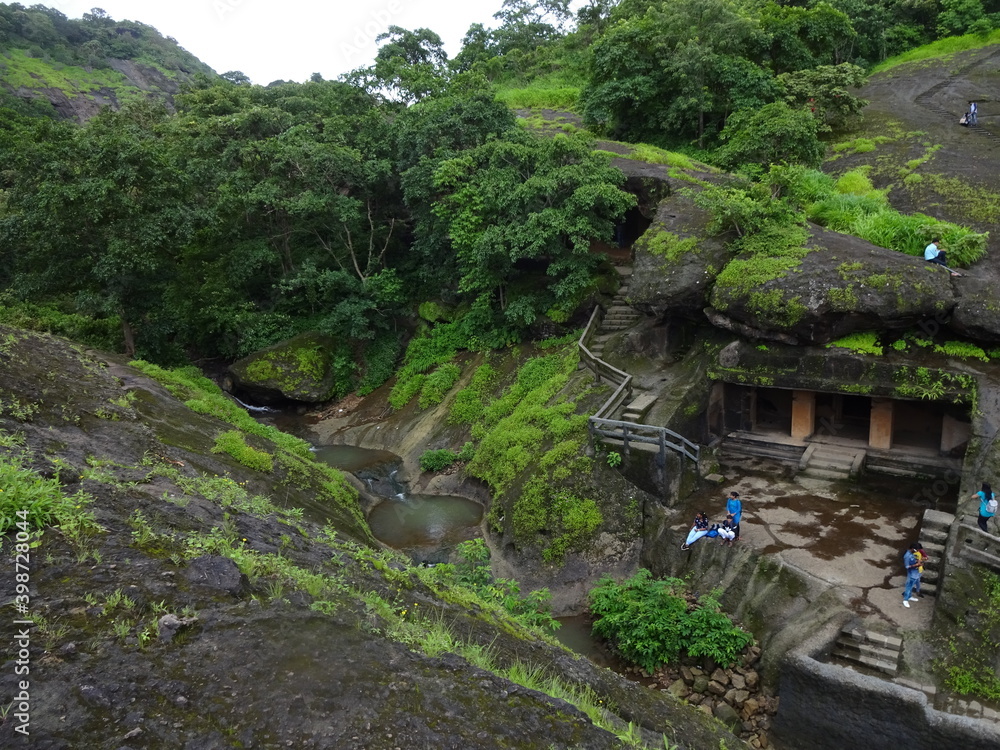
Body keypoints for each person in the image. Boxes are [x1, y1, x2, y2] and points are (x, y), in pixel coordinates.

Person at [902, 543, 922, 607]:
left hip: (916, 572)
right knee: (909, 586)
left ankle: (909, 596)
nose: (917, 551)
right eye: (917, 550)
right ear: (913, 549)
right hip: (912, 573)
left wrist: (918, 561)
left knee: (912, 585)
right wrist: (915, 565)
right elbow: (907, 566)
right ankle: (905, 600)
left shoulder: (912, 554)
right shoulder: (907, 556)